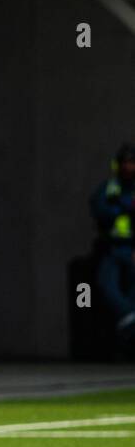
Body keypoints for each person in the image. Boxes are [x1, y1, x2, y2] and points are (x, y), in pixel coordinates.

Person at [91, 143, 135, 341]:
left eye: (131, 163)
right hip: (113, 247)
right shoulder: (110, 188)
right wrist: (119, 208)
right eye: (124, 163)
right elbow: (98, 209)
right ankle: (128, 317)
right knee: (106, 284)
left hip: (132, 248)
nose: (128, 167)